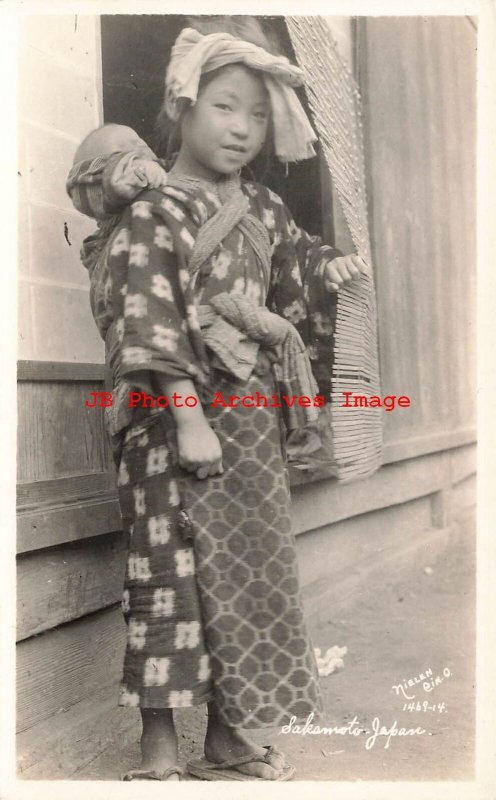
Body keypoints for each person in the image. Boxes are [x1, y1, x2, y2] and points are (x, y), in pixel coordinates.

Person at [67, 18, 368, 782]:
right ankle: (160, 742)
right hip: (172, 417)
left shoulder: (264, 207)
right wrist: (187, 414)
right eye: (225, 106)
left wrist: (326, 268)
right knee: (167, 572)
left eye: (260, 114)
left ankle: (228, 737)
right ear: (183, 105)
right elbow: (147, 308)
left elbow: (292, 257)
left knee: (248, 567)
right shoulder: (154, 207)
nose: (242, 128)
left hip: (249, 411)